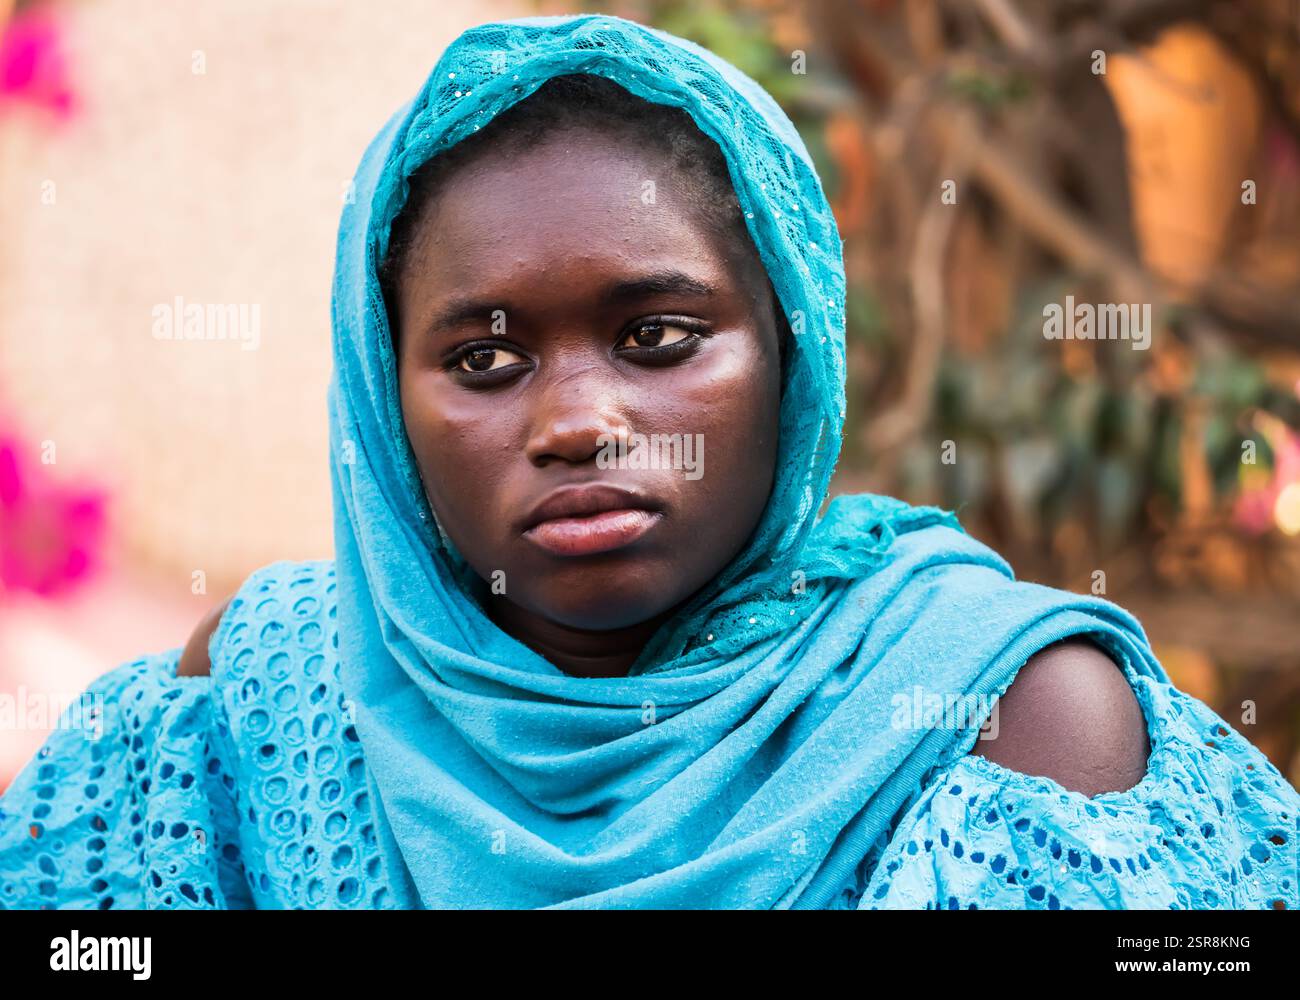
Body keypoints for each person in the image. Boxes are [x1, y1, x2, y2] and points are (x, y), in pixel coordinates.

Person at [1, 12, 1295, 910]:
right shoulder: (260, 707)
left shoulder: (1006, 719)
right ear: (384, 399)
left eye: (659, 337)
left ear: (792, 356)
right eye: (486, 361)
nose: (578, 423)